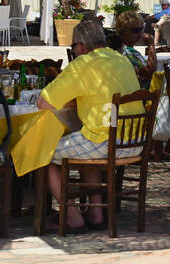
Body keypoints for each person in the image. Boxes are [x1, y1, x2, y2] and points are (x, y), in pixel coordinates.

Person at [38, 18, 145, 232]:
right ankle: (96, 213)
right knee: (86, 143)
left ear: (80, 46)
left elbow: (44, 103)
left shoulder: (83, 64)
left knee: (43, 154)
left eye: (73, 48)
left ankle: (72, 216)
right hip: (135, 141)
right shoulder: (121, 59)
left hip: (106, 141)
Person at [113, 10, 158, 80]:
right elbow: (150, 72)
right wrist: (151, 45)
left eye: (141, 29)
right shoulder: (129, 52)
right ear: (123, 32)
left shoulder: (117, 48)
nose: (140, 34)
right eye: (135, 30)